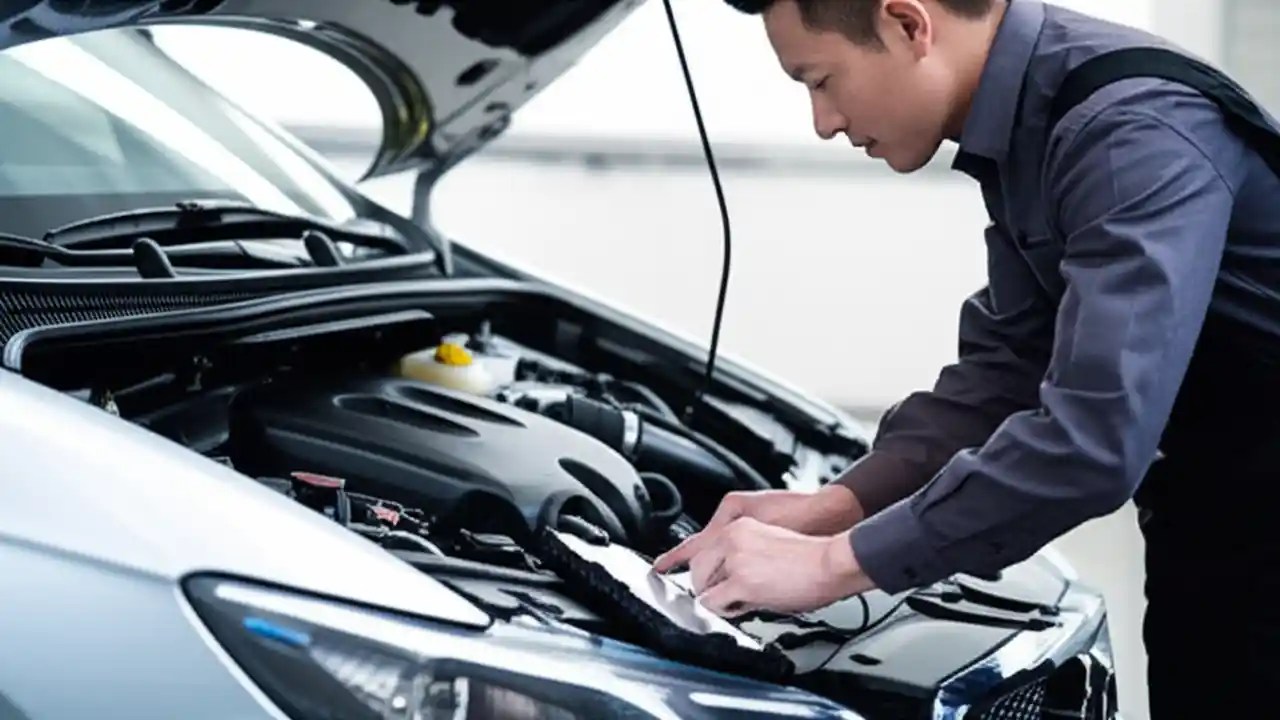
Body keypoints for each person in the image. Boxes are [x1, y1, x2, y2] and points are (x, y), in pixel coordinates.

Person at [651, 0, 1280, 716]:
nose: (822, 122)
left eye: (820, 80)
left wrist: (834, 564)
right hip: (1220, 529)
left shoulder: (1126, 131)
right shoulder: (1037, 118)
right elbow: (1008, 369)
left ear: (908, 23)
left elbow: (1091, 442)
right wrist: (835, 508)